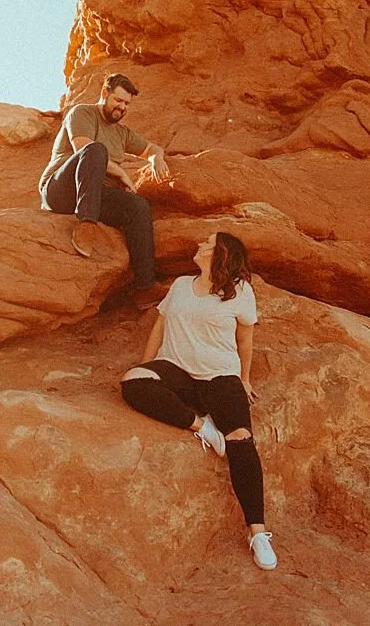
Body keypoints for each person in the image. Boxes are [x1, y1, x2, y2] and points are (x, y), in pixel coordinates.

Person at [119, 231, 276, 571]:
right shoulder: (179, 286)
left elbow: (245, 340)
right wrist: (147, 364)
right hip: (177, 372)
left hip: (220, 377)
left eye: (207, 244)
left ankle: (258, 532)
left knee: (241, 440)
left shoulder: (239, 292)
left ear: (220, 254)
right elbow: (159, 328)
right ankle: (203, 428)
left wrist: (244, 379)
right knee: (133, 382)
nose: (200, 245)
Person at [39, 73, 170, 290]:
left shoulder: (122, 133)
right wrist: (120, 172)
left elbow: (151, 148)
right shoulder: (82, 113)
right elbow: (83, 147)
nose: (122, 107)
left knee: (138, 206)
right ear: (104, 94)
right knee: (95, 149)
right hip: (60, 191)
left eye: (127, 103)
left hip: (96, 194)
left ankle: (146, 287)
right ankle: (86, 225)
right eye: (118, 100)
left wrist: (156, 158)